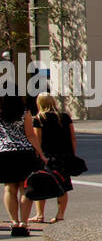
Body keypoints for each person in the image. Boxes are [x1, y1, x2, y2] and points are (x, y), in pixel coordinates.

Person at [32, 94, 79, 223]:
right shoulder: (64, 117)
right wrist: (73, 154)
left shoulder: (39, 118)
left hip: (47, 156)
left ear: (39, 103)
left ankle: (40, 215)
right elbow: (72, 137)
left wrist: (39, 155)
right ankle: (60, 215)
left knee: (40, 185)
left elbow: (37, 139)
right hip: (64, 156)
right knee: (63, 185)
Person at [0, 96, 42, 235]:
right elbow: (30, 135)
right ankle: (24, 223)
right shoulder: (25, 112)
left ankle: (14, 222)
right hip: (24, 153)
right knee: (25, 188)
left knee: (9, 189)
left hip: (5, 153)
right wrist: (41, 153)